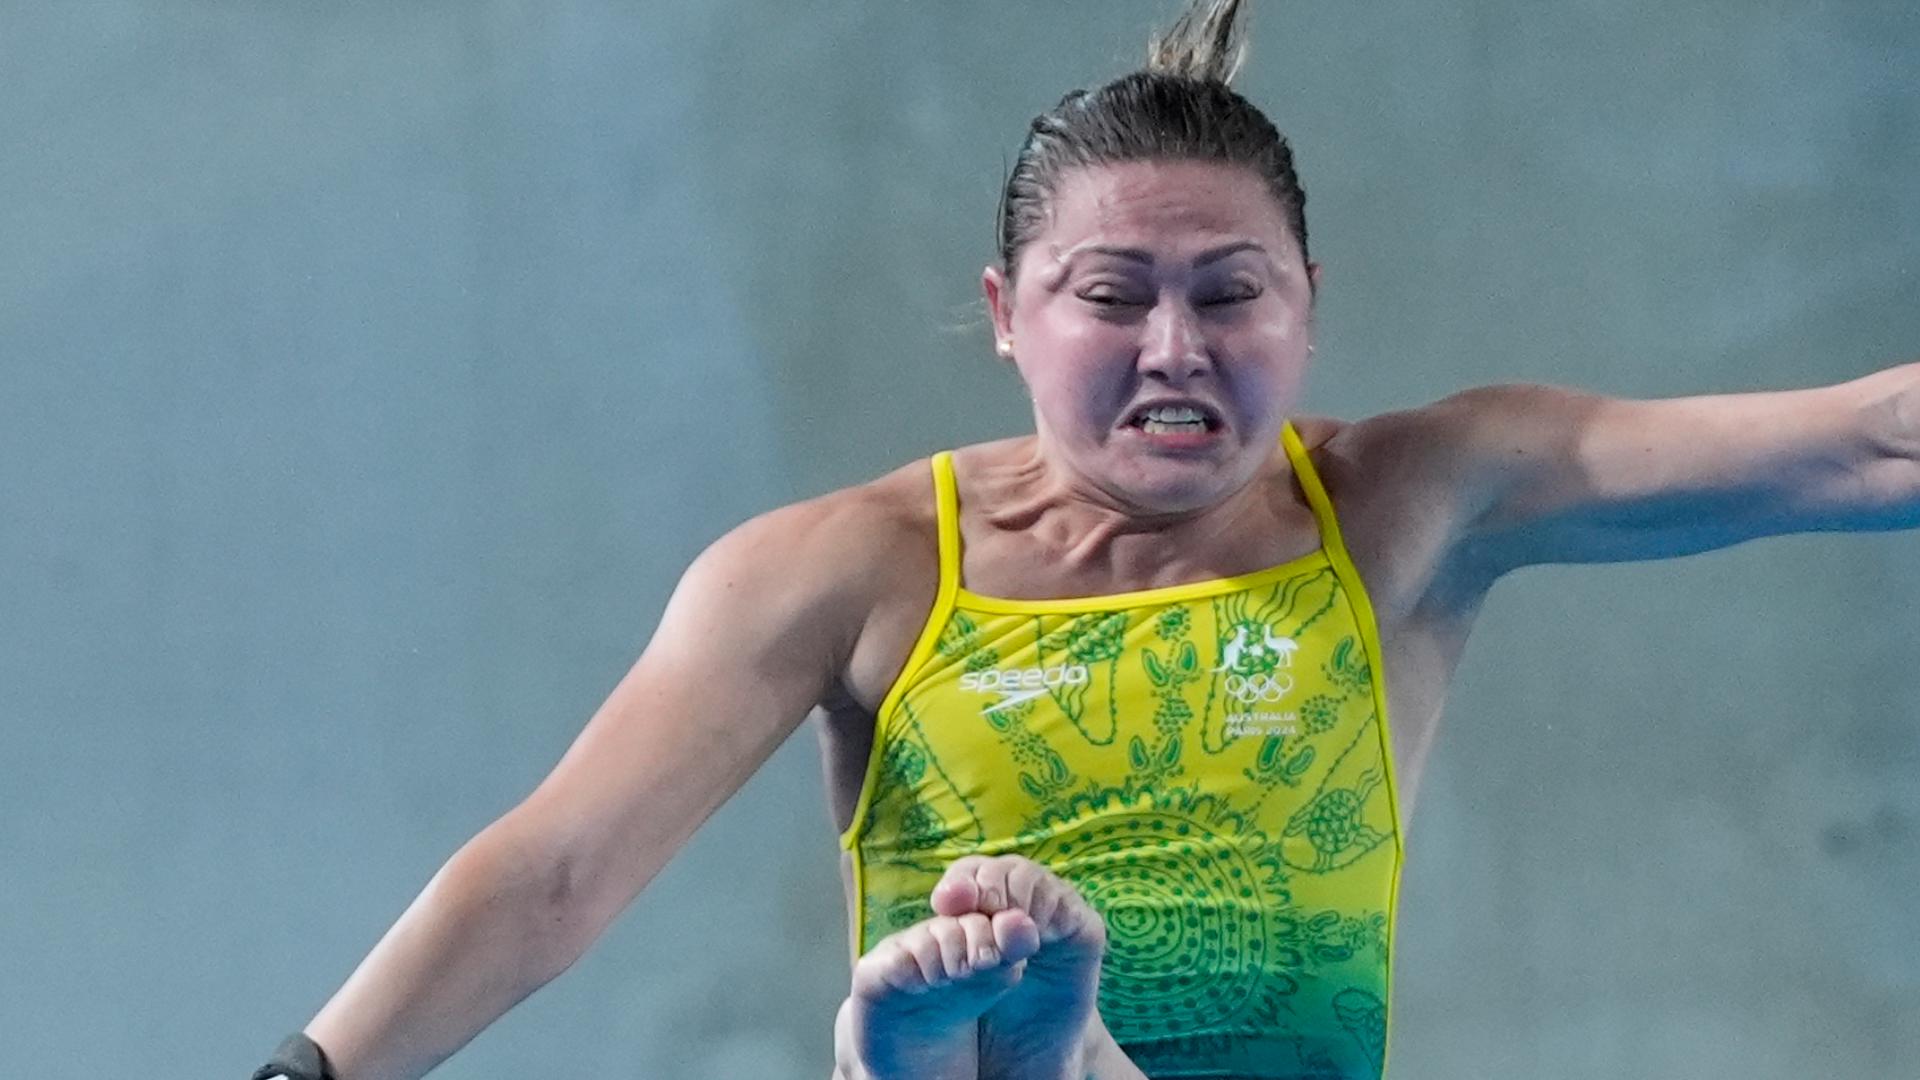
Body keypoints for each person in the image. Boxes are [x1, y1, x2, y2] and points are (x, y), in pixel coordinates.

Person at [252, 1, 1920, 1078]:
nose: (1176, 350)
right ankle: (992, 1039)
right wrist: (305, 1074)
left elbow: (1866, 437)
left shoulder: (1417, 499)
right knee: (950, 1021)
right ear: (1005, 313)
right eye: (1112, 296)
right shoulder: (848, 566)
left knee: (976, 1020)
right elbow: (553, 873)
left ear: (1311, 308)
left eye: (1230, 295)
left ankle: (1021, 1039)